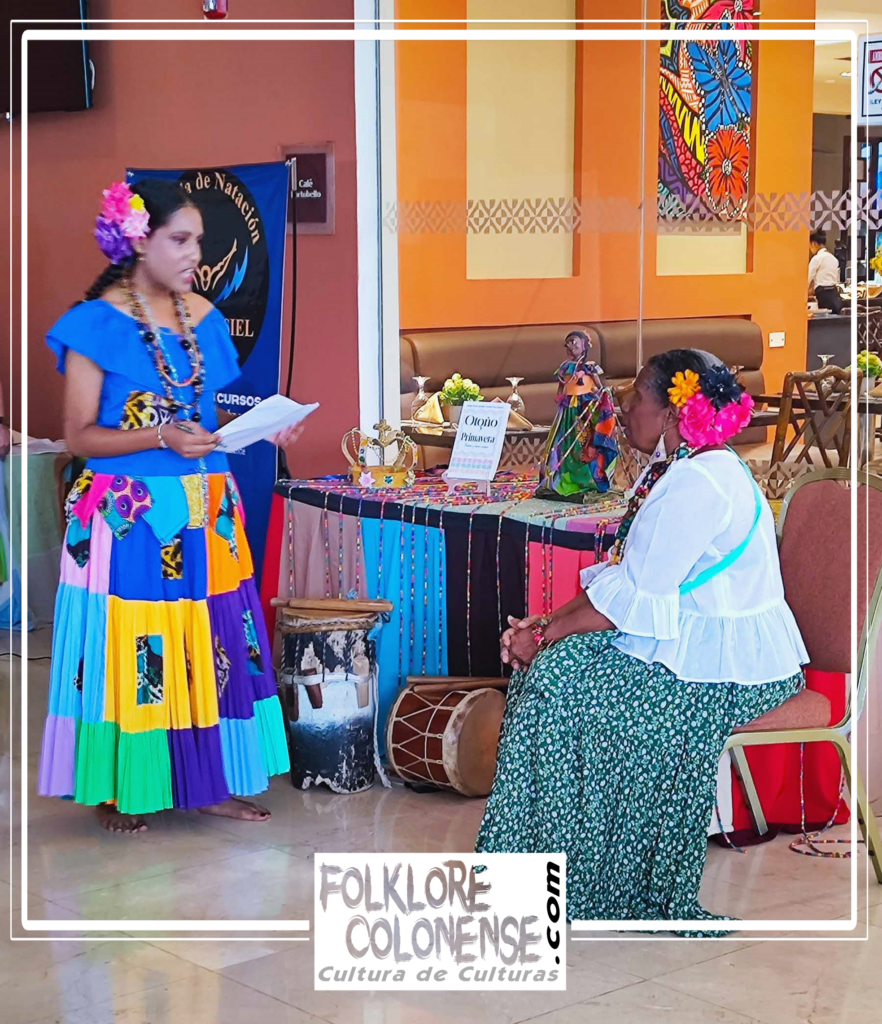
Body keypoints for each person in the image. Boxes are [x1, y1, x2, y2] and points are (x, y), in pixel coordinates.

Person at [476, 349, 809, 931]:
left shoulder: (700, 483)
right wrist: (542, 629)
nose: (625, 410)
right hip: (694, 648)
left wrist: (544, 636)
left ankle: (589, 886)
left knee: (560, 689)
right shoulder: (688, 470)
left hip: (733, 671)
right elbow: (626, 579)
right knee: (556, 669)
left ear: (673, 414)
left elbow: (633, 598)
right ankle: (531, 878)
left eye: (636, 400)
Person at [38, 179, 301, 833]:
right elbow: (78, 438)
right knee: (137, 641)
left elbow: (210, 410)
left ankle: (206, 778)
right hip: (129, 516)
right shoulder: (94, 325)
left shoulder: (202, 315)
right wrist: (160, 436)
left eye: (199, 241)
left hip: (206, 507)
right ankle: (120, 781)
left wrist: (263, 424)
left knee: (208, 638)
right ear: (137, 241)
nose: (194, 253)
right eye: (179, 239)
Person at [536, 330, 618, 499]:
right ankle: (564, 475)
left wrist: (601, 394)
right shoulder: (565, 367)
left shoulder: (590, 366)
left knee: (585, 442)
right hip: (568, 410)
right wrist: (559, 396)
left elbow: (598, 385)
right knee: (564, 442)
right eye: (568, 344)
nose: (571, 347)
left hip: (584, 409)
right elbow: (562, 386)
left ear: (585, 346)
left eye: (574, 342)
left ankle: (588, 479)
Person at [808, 230, 843, 314]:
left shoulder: (817, 259)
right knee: (836, 321)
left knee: (824, 322)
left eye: (810, 246)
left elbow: (808, 279)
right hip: (834, 293)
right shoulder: (833, 259)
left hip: (823, 295)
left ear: (814, 243)